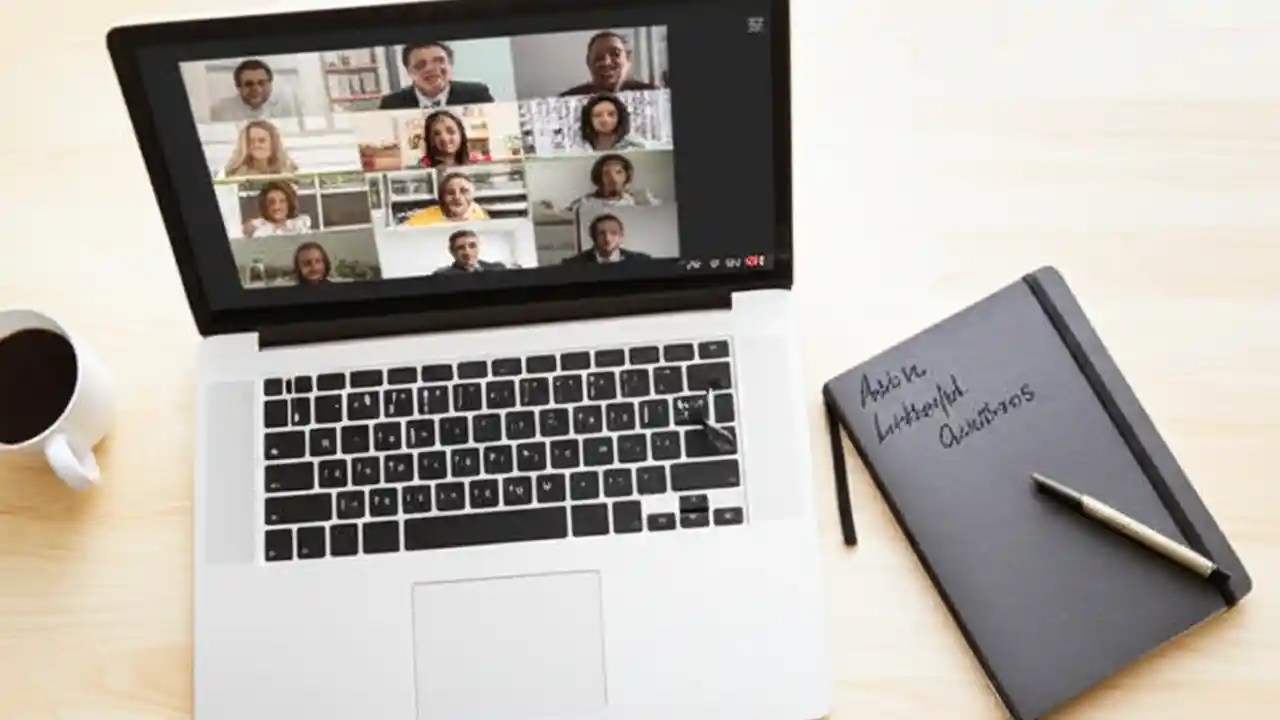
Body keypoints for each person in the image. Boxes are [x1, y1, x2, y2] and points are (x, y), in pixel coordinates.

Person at [380, 42, 495, 109]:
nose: (430, 68)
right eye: (421, 64)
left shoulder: (477, 95)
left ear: (450, 63)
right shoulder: (392, 104)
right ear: (409, 71)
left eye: (439, 61)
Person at [560, 31, 659, 97]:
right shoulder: (569, 99)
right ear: (588, 62)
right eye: (598, 58)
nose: (606, 63)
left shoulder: (652, 95)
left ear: (628, 59)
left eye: (615, 54)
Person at [210, 59, 303, 123]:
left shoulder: (288, 105)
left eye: (261, 83)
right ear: (238, 88)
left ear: (270, 84)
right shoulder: (222, 111)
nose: (256, 89)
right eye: (249, 84)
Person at [561, 153, 660, 212]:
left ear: (626, 176)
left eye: (619, 172)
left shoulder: (637, 200)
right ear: (599, 177)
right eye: (606, 173)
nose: (613, 178)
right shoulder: (585, 202)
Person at [403, 172, 490, 226]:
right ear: (442, 198)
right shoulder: (420, 220)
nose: (457, 197)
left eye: (464, 191)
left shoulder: (479, 214)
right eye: (450, 193)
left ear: (472, 195)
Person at [563, 213, 651, 264]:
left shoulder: (641, 261)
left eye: (613, 233)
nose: (607, 239)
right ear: (593, 236)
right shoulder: (574, 264)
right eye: (601, 234)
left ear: (621, 236)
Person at [223, 120, 298, 177]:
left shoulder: (290, 172)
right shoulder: (236, 175)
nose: (256, 145)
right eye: (251, 141)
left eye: (262, 141)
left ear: (273, 143)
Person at [575, 94, 648, 152]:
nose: (605, 120)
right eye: (597, 115)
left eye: (611, 114)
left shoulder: (636, 146)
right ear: (589, 119)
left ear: (620, 117)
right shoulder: (579, 148)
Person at [420, 110, 487, 167]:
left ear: (461, 134)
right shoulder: (423, 166)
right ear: (430, 140)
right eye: (437, 134)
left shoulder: (476, 163)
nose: (444, 138)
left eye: (451, 132)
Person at [243, 181, 311, 238]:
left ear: (289, 203)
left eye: (282, 201)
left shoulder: (299, 226)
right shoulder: (258, 227)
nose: (276, 207)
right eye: (271, 202)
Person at [433, 229, 508, 274]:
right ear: (452, 251)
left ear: (478, 247)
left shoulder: (498, 269)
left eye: (472, 246)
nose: (467, 252)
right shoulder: (443, 276)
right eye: (460, 248)